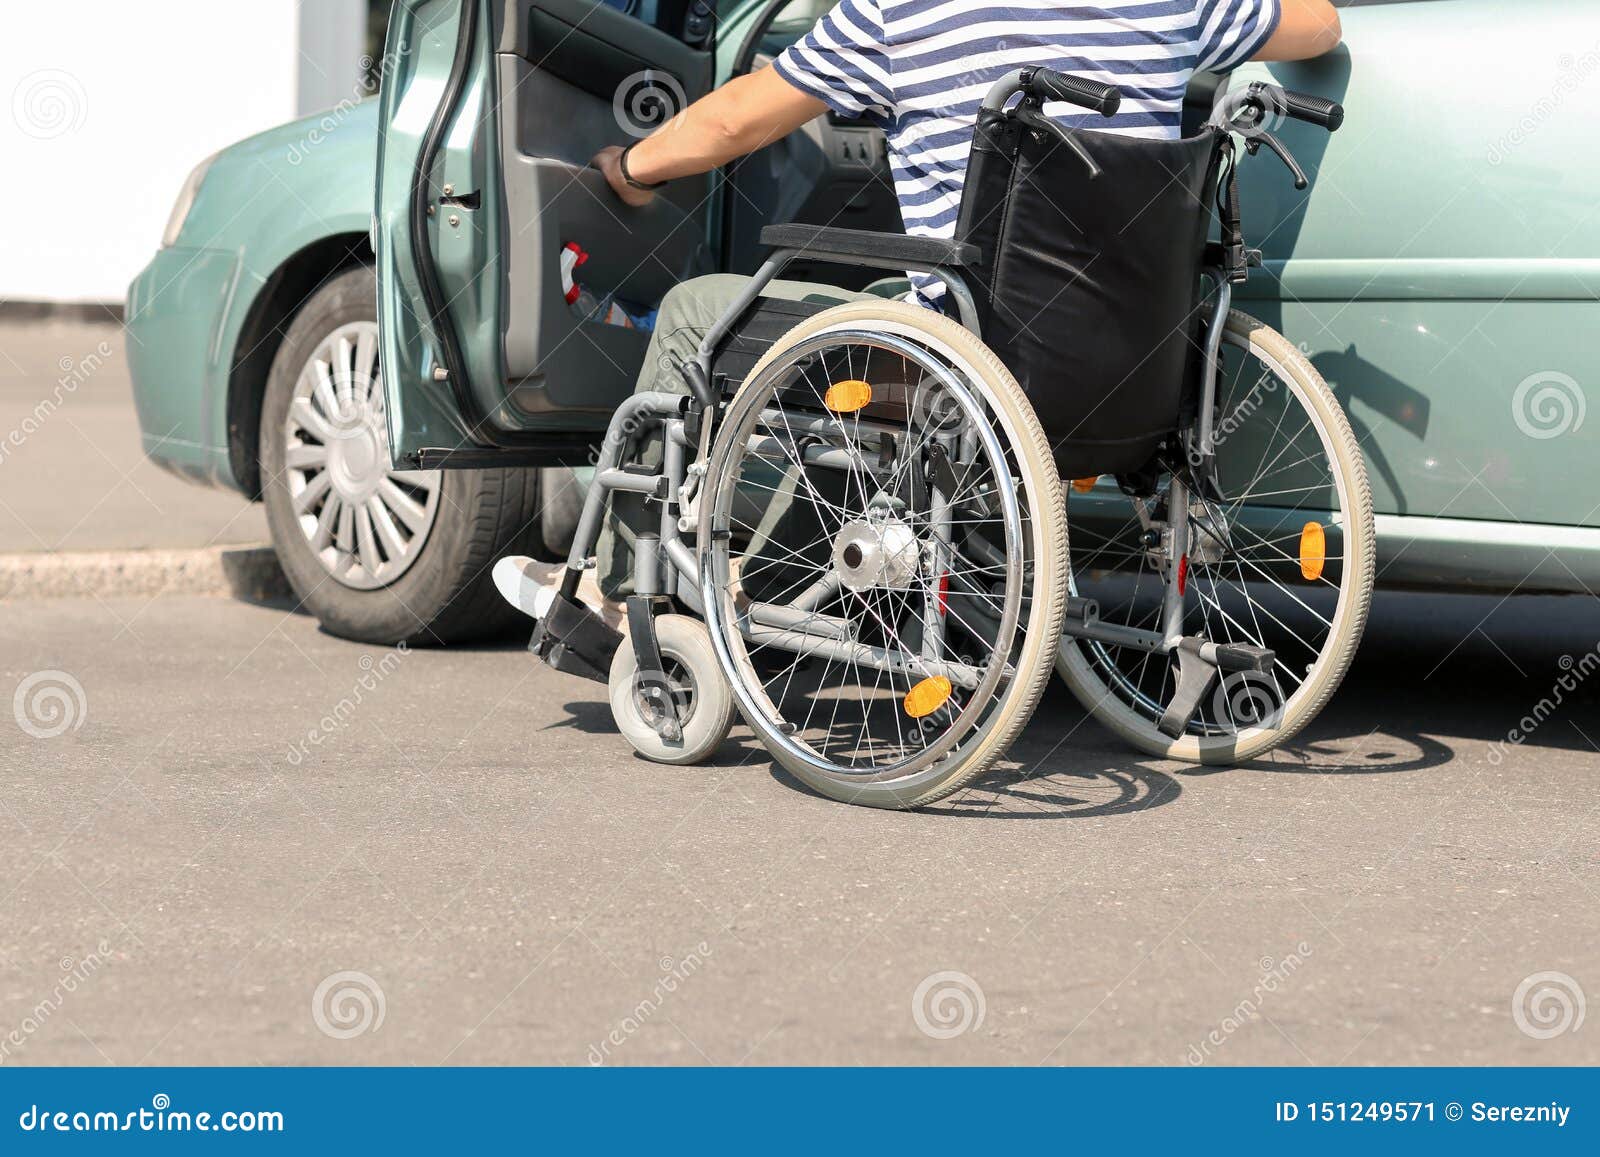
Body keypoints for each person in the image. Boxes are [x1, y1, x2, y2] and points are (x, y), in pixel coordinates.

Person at [591, 0, 1342, 593]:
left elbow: (729, 121)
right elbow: (1322, 22)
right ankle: (761, 587)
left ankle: (622, 594)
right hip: (1133, 371)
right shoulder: (1177, 4)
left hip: (968, 373)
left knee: (696, 310)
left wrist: (631, 166)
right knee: (882, 303)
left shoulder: (901, 12)